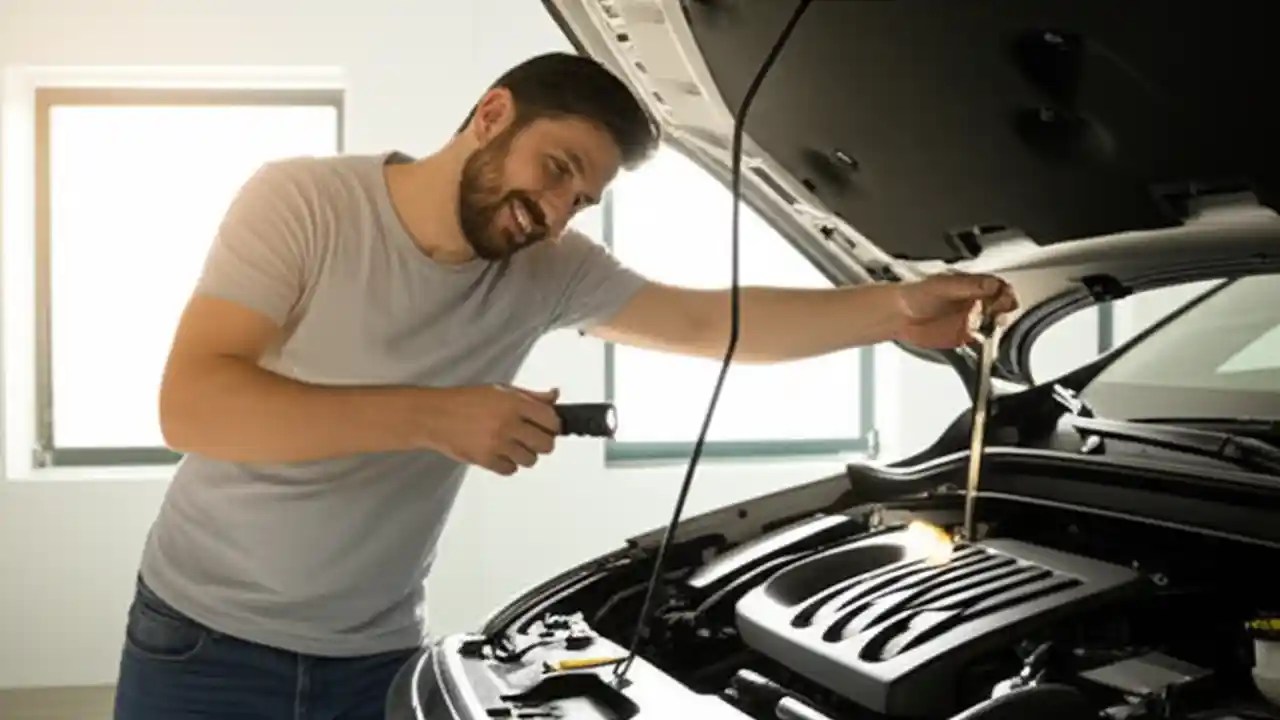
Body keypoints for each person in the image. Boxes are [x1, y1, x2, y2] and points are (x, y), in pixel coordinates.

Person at [112, 51, 1017, 719]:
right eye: (555, 171)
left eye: (581, 199)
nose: (553, 212)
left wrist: (898, 306)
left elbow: (711, 323)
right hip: (202, 636)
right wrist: (437, 417)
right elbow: (192, 404)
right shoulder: (302, 203)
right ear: (491, 114)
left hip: (373, 653)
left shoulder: (546, 266)